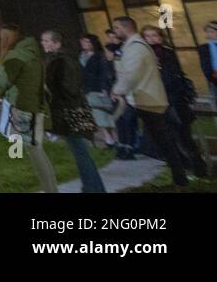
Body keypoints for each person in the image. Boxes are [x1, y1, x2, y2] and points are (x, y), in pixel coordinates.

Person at [110, 16, 188, 187]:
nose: (114, 31)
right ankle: (180, 174)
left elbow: (132, 73)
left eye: (116, 28)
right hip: (145, 98)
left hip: (149, 99)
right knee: (161, 139)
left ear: (126, 28)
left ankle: (181, 175)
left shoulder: (136, 47)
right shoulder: (131, 46)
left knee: (163, 139)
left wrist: (118, 90)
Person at [40, 30, 105, 192]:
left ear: (57, 43)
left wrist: (51, 93)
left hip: (68, 112)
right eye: (43, 41)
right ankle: (92, 186)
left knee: (80, 151)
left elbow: (68, 87)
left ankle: (93, 187)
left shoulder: (61, 60)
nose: (44, 44)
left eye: (47, 41)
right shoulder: (62, 59)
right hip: (70, 109)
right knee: (79, 150)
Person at [0, 24, 57, 192]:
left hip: (22, 107)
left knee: (35, 151)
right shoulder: (33, 54)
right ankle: (50, 188)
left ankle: (50, 189)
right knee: (37, 150)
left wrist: (0, 93)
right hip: (37, 107)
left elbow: (1, 83)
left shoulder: (15, 56)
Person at [142, 24, 206, 179]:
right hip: (156, 104)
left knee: (185, 138)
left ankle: (198, 168)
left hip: (175, 103)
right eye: (147, 36)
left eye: (154, 35)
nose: (151, 39)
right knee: (167, 140)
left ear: (160, 37)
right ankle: (181, 168)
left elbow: (174, 78)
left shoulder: (168, 54)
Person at [104, 26, 138, 158]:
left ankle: (130, 146)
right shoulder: (109, 50)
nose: (112, 40)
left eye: (114, 37)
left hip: (126, 90)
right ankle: (122, 145)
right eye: (110, 37)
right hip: (114, 90)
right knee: (119, 120)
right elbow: (107, 72)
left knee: (129, 119)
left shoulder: (124, 50)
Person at [78, 34, 117, 147]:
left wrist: (104, 87)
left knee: (103, 113)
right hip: (87, 88)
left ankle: (111, 138)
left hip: (98, 88)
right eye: (83, 42)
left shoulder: (99, 56)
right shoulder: (81, 56)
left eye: (88, 42)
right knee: (97, 114)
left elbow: (104, 73)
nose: (85, 44)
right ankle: (108, 138)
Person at [199, 21, 217, 106]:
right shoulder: (204, 48)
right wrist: (211, 76)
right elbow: (204, 64)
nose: (210, 34)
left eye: (212, 31)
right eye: (208, 31)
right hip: (214, 78)